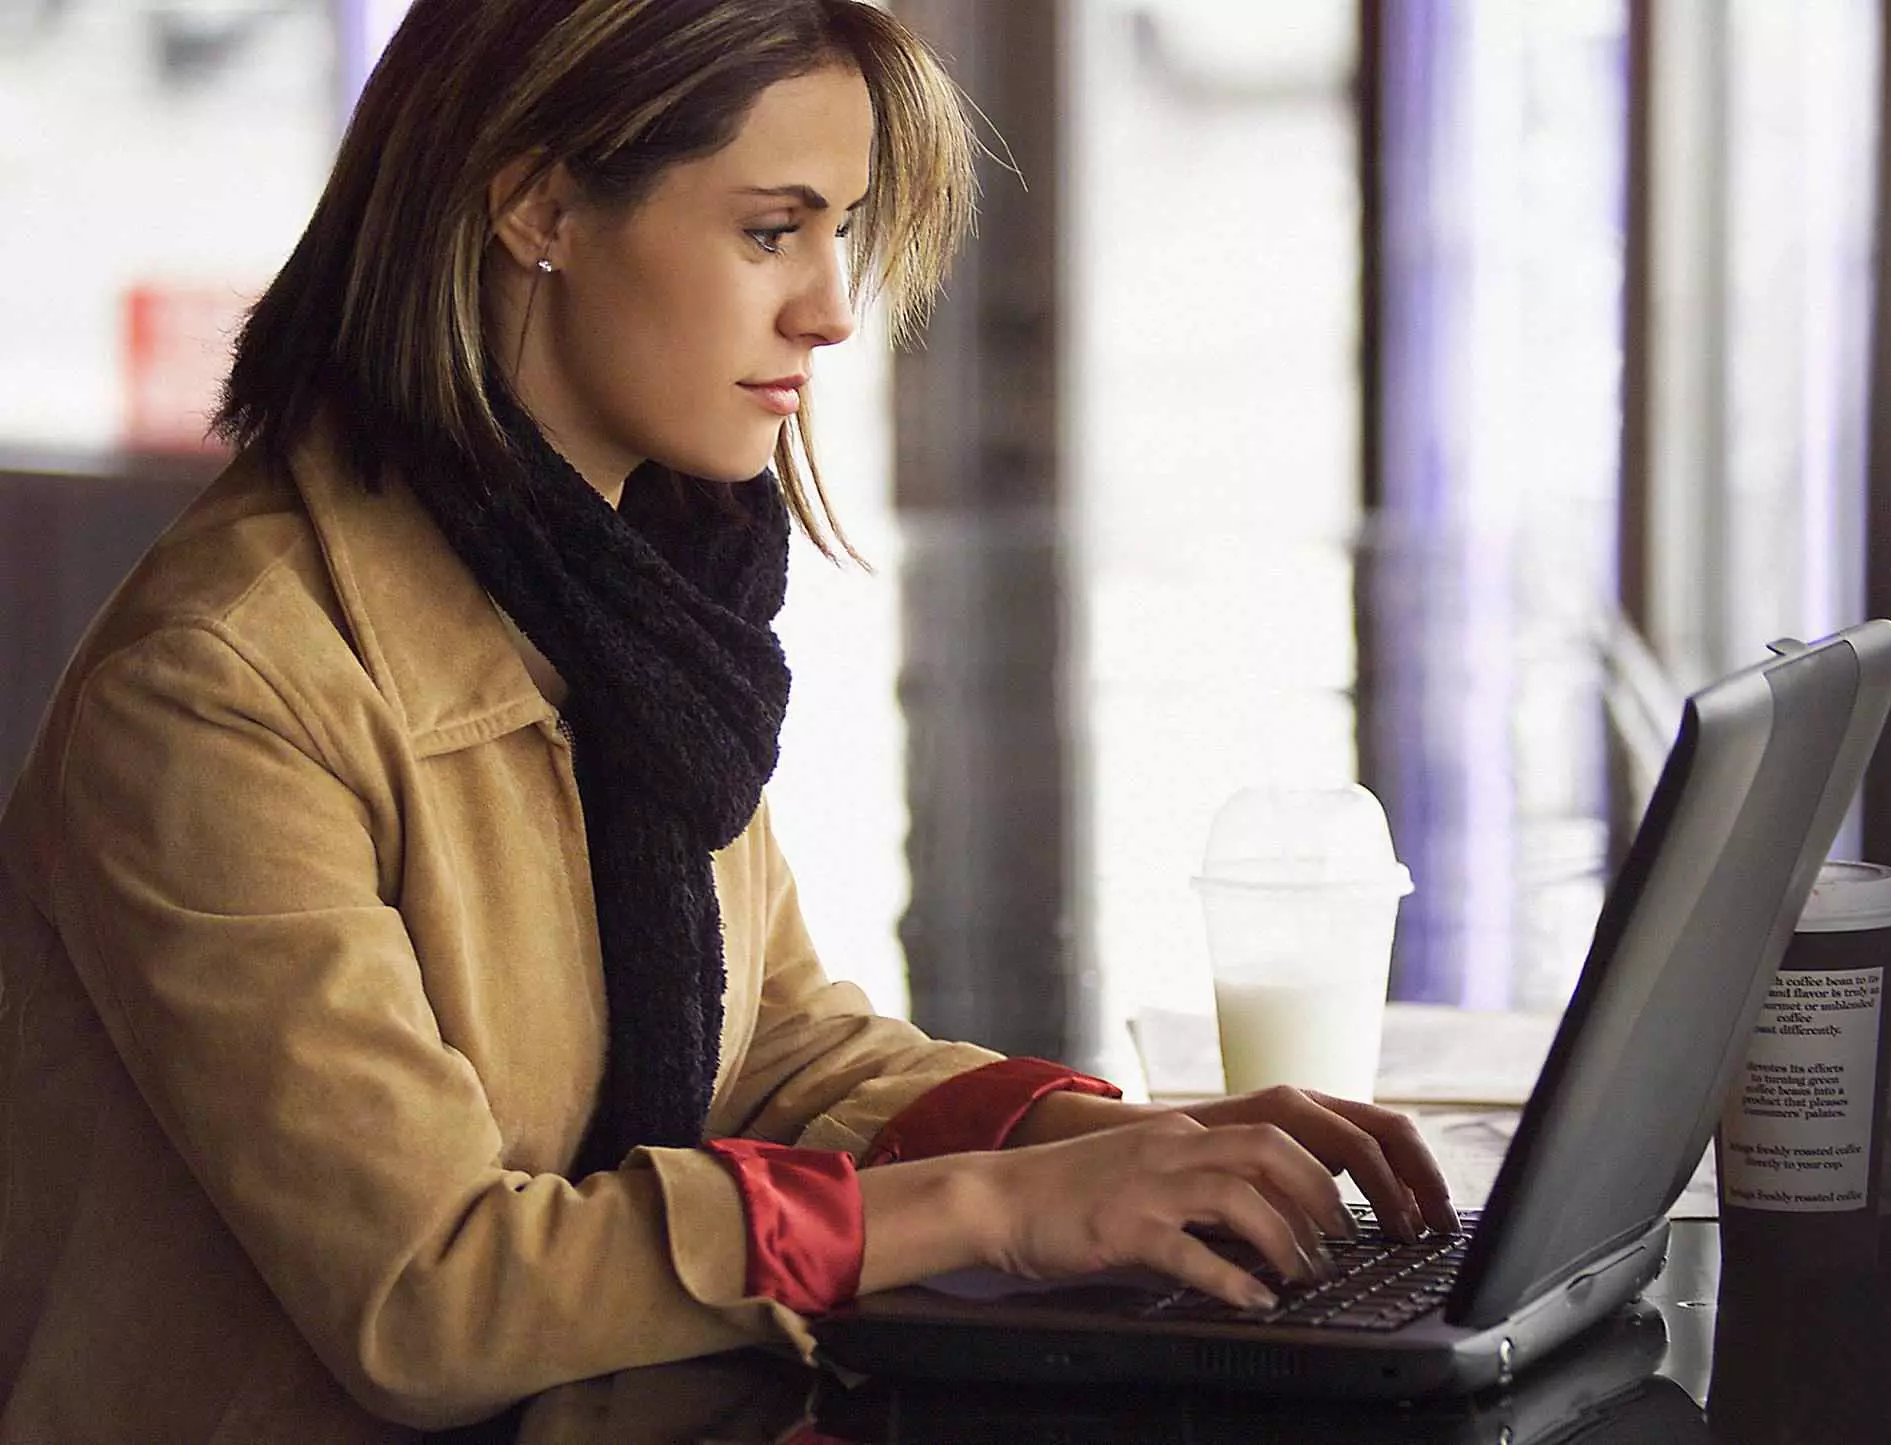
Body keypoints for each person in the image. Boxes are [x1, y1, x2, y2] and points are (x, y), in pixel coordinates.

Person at [0, 2, 1455, 1439]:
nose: (831, 305)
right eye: (772, 231)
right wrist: (993, 1207)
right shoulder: (221, 688)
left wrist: (1112, 1144)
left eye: (842, 230)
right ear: (538, 208)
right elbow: (428, 1300)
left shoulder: (635, 596)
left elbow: (768, 1051)